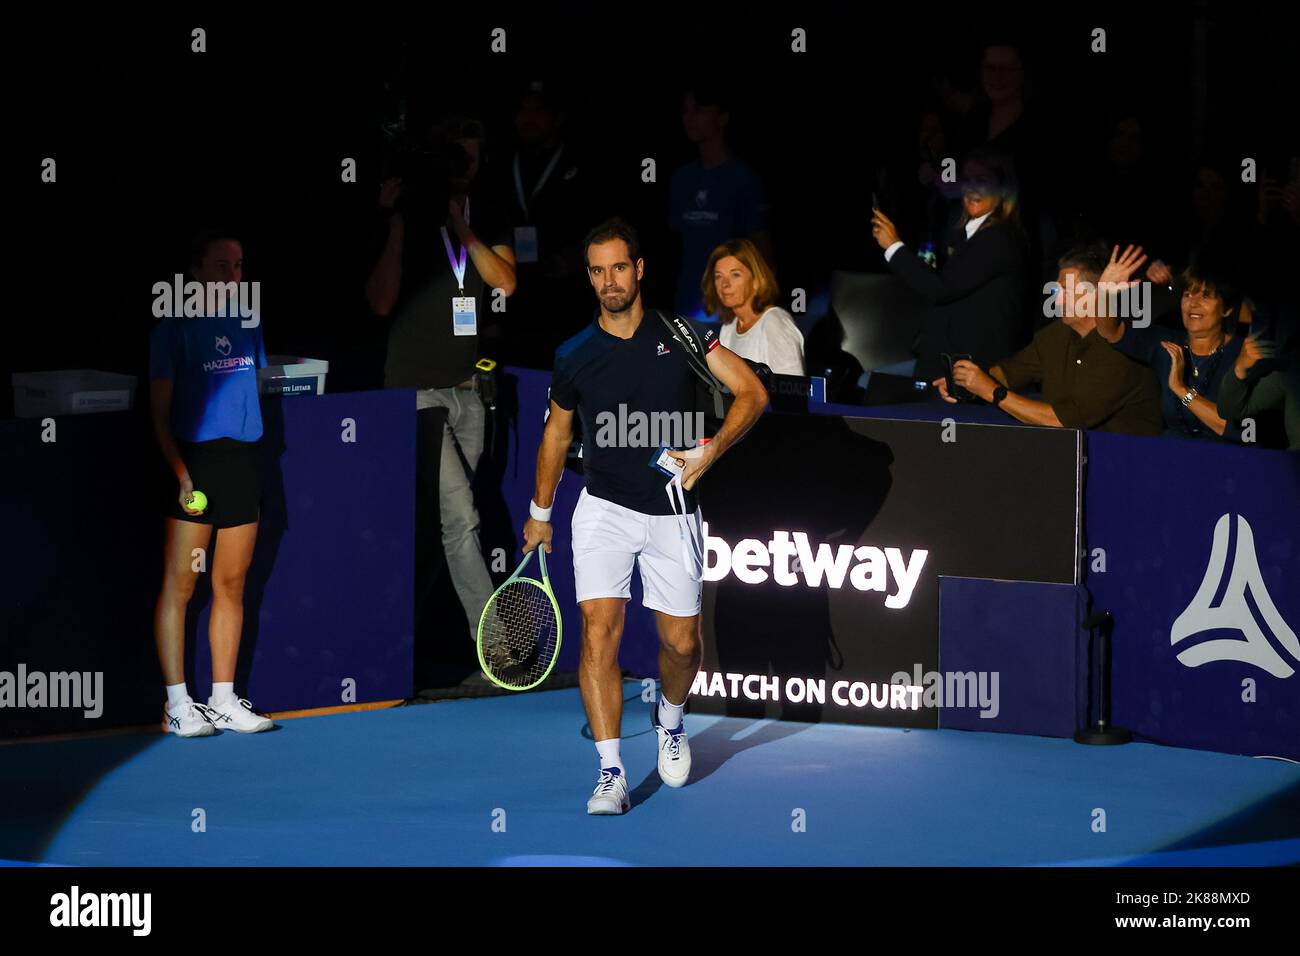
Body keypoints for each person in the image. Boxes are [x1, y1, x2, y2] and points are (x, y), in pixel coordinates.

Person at [522, 219, 766, 814]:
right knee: (598, 635)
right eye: (598, 270)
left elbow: (752, 393)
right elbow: (556, 435)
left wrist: (710, 451)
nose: (609, 280)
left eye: (619, 268)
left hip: (672, 511)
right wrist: (540, 510)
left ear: (639, 270)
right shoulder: (573, 354)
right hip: (602, 509)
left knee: (681, 645)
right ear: (590, 278)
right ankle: (611, 771)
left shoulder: (682, 335)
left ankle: (672, 719)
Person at [366, 116, 517, 652]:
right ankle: (494, 644)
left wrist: (465, 228)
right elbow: (381, 303)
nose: (464, 170)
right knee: (461, 517)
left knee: (447, 524)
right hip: (415, 393)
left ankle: (412, 637)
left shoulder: (488, 211)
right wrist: (399, 224)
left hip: (468, 389)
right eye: (457, 158)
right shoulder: (406, 211)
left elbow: (506, 281)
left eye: (473, 160)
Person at [149, 232, 273, 736]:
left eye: (239, 266)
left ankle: (223, 699)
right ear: (195, 272)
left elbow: (249, 392)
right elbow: (159, 418)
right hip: (194, 465)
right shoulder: (171, 330)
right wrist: (182, 476)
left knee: (231, 584)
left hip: (243, 462)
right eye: (221, 265)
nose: (233, 275)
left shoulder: (249, 322)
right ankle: (176, 705)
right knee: (181, 585)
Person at [936, 241, 1162, 436]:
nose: (1057, 298)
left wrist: (991, 391)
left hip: (1130, 463)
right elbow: (1008, 373)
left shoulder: (1123, 349)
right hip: (1073, 456)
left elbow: (1063, 421)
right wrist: (965, 381)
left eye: (1066, 290)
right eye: (1056, 290)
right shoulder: (1056, 335)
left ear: (1099, 293)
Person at [872, 150, 1028, 381]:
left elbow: (940, 289)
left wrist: (894, 246)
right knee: (869, 382)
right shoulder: (967, 233)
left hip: (969, 376)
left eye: (983, 181)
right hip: (947, 367)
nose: (973, 188)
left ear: (1004, 189)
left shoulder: (999, 238)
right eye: (968, 180)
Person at [1093, 247, 1247, 441]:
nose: (1193, 303)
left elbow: (1240, 431)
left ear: (1227, 309)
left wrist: (1181, 390)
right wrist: (1105, 293)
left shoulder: (1244, 353)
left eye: (1205, 296)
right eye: (1187, 295)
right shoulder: (1167, 344)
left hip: (1230, 463)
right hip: (1172, 457)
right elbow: (1111, 331)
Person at [669, 85, 773, 319]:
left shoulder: (744, 179)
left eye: (698, 109)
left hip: (730, 309)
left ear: (722, 117)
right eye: (685, 111)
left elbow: (763, 251)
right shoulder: (681, 180)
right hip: (687, 305)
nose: (689, 118)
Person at [704, 238, 803, 375]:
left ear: (756, 280)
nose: (725, 284)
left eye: (735, 275)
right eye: (718, 276)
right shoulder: (729, 327)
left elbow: (793, 388)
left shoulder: (774, 323)